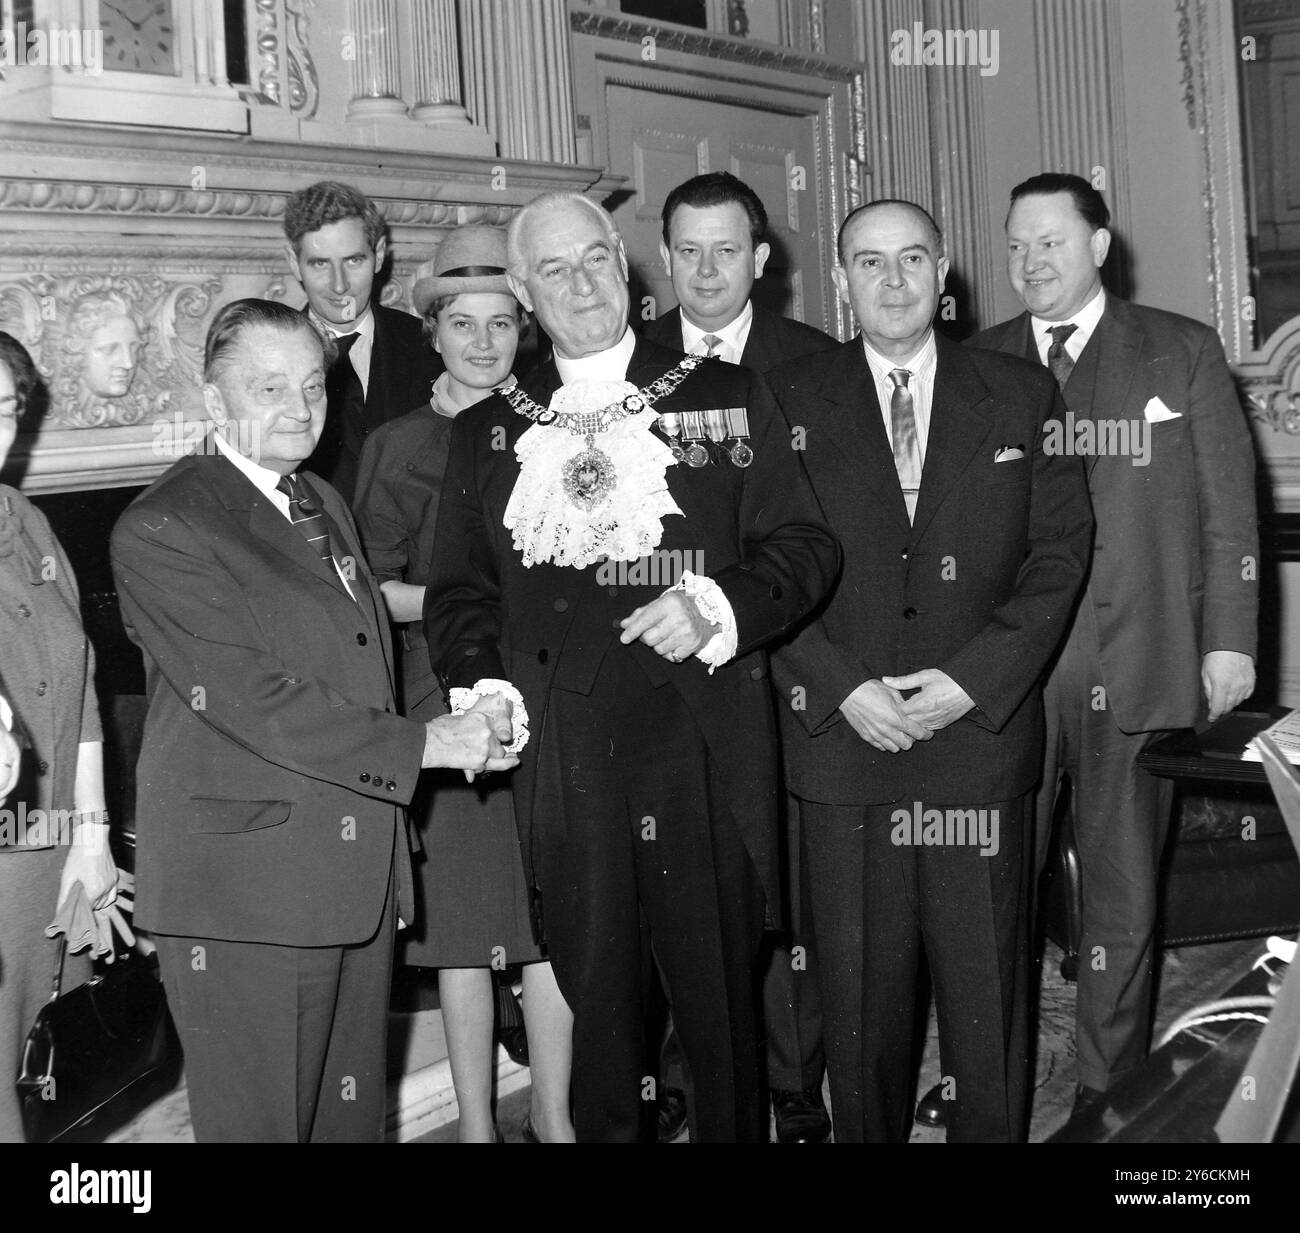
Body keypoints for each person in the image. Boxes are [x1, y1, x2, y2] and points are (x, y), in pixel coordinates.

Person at [423, 192, 839, 1142]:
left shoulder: (722, 393)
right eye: (555, 272)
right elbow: (458, 595)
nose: (583, 286)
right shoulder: (485, 429)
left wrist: (716, 603)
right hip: (562, 759)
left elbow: (807, 546)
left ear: (625, 261)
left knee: (721, 1020)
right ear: (524, 292)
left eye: (596, 261)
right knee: (596, 1012)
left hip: (697, 746)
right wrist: (483, 683)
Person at [110, 299, 516, 1142]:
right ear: (216, 401)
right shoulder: (164, 523)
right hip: (248, 894)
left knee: (347, 1126)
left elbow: (357, 661)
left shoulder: (319, 497)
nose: (300, 409)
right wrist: (427, 743)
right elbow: (253, 698)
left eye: (312, 386)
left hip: (351, 871)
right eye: (269, 389)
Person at [767, 200, 1093, 1142]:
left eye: (913, 258)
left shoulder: (1022, 396)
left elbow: (1059, 554)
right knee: (860, 1009)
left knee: (987, 1005)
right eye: (870, 262)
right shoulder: (788, 398)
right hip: (844, 747)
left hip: (976, 748)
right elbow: (759, 571)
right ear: (841, 281)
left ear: (945, 271)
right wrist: (841, 687)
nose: (895, 281)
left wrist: (971, 682)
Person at [971, 173, 1258, 1112]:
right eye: (1016, 245)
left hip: (1140, 660)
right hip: (1010, 672)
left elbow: (1228, 514)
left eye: (1051, 241)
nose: (1030, 262)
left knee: (1122, 891)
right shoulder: (980, 360)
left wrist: (1230, 644)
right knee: (989, 885)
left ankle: (1108, 1091)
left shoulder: (1179, 349)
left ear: (1100, 246)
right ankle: (991, 1080)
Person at [354, 226, 574, 1143]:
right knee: (469, 928)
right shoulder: (402, 445)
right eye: (461, 324)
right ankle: (479, 1127)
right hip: (448, 701)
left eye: (501, 324)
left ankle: (557, 1117)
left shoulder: (562, 425)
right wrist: (465, 599)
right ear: (432, 333)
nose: (483, 343)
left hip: (557, 696)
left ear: (523, 330)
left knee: (556, 917)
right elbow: (367, 587)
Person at [646, 170, 838, 1143]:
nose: (708, 270)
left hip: (800, 664)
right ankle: (685, 1070)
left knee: (782, 881)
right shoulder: (623, 368)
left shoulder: (816, 363)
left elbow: (831, 531)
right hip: (675, 686)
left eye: (728, 250)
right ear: (664, 257)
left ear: (762, 261)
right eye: (688, 250)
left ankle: (793, 1083)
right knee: (685, 881)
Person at [0, 331, 118, 1142]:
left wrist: (94, 836)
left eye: (4, 409)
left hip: (50, 853)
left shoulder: (31, 525)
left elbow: (82, 686)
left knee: (41, 1070)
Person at [283, 180, 441, 506]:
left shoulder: (431, 345)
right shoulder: (270, 356)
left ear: (379, 255)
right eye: (320, 263)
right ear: (293, 263)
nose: (339, 285)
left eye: (353, 260)